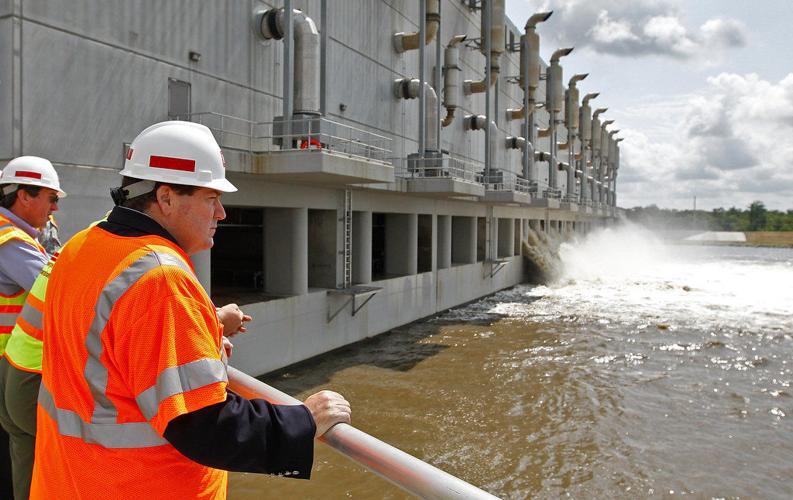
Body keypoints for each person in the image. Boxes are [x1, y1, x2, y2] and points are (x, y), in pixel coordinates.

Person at [30, 121, 351, 499]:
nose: (222, 214)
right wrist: (301, 422)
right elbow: (201, 423)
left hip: (72, 480)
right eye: (210, 198)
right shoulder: (160, 278)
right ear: (165, 198)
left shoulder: (85, 244)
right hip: (136, 487)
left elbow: (112, 353)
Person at [0, 156, 65, 500]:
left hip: (11, 361)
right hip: (11, 364)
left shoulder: (18, 236)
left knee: (20, 451)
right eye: (51, 199)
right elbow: (58, 289)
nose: (54, 209)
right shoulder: (11, 241)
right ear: (24, 196)